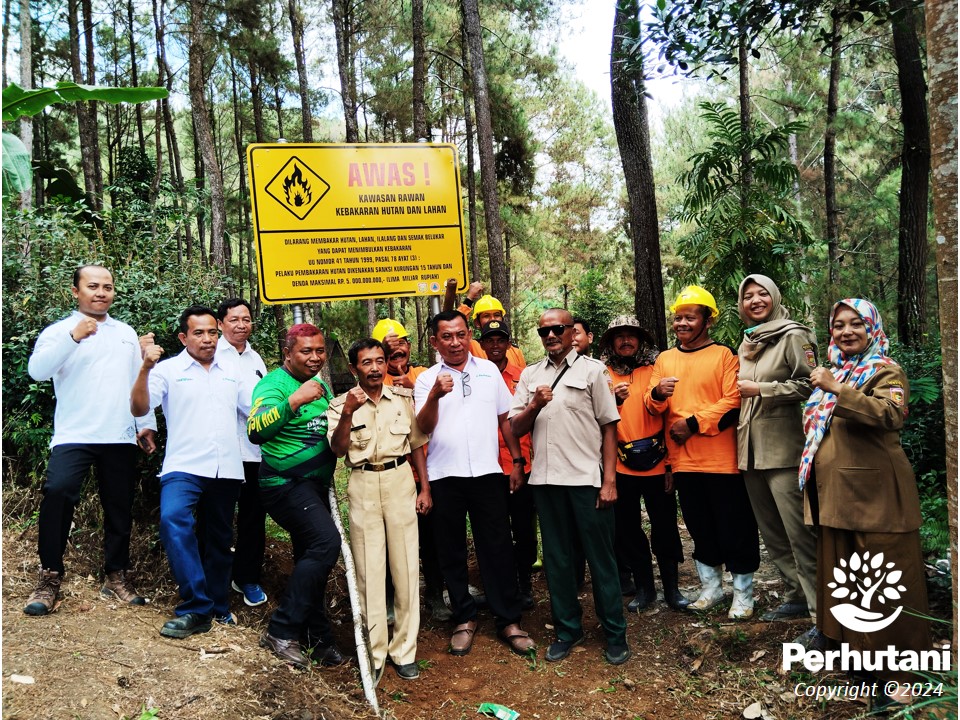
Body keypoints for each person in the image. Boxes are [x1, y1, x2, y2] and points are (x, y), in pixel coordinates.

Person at [801, 298, 930, 701]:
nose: (846, 331)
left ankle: (895, 669)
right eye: (838, 325)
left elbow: (890, 415)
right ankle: (851, 651)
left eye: (856, 323)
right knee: (842, 572)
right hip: (836, 493)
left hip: (875, 496)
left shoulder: (884, 370)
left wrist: (836, 390)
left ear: (872, 327)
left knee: (885, 574)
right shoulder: (838, 370)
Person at [24, 265, 157, 616]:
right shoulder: (58, 331)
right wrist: (74, 337)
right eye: (93, 286)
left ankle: (116, 575)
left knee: (119, 505)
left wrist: (145, 424)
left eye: (108, 287)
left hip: (119, 434)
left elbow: (136, 381)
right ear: (75, 291)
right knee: (58, 492)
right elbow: (37, 372)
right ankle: (49, 576)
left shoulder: (126, 333)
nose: (101, 292)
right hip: (74, 433)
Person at [510, 308, 630, 666]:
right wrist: (535, 403)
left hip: (586, 481)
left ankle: (614, 633)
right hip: (546, 483)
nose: (550, 335)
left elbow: (609, 427)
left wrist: (609, 481)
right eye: (543, 330)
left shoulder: (593, 371)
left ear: (571, 332)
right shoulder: (530, 375)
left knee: (601, 560)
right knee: (558, 562)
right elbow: (515, 428)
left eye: (558, 329)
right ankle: (567, 630)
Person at [414, 310, 535, 657]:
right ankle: (464, 618)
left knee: (496, 546)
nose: (455, 343)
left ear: (469, 335)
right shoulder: (427, 379)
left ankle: (508, 619)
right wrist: (435, 394)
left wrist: (515, 461)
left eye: (461, 335)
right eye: (447, 337)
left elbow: (505, 420)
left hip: (486, 473)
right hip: (444, 475)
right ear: (435, 342)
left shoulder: (489, 374)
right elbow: (422, 428)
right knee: (450, 549)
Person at [130, 306, 252, 638]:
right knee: (173, 520)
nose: (208, 339)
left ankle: (218, 607)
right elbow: (140, 407)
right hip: (183, 466)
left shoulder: (232, 371)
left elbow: (255, 409)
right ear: (184, 337)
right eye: (199, 333)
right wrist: (143, 368)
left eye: (212, 332)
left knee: (219, 539)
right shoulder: (166, 371)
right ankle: (196, 606)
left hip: (226, 467)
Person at [643, 286, 759, 619]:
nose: (681, 323)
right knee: (699, 525)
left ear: (707, 321)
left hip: (723, 461)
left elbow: (734, 400)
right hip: (683, 462)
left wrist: (692, 423)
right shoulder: (665, 359)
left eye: (689, 317)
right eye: (678, 317)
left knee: (734, 526)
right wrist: (657, 393)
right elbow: (651, 407)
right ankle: (711, 589)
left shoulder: (724, 355)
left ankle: (743, 594)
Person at [328, 339, 432, 681]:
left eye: (379, 361)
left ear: (387, 364)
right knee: (369, 571)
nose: (374, 368)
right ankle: (374, 653)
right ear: (355, 369)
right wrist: (347, 414)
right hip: (362, 483)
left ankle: (404, 651)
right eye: (366, 362)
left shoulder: (403, 399)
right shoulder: (341, 404)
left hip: (400, 480)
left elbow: (416, 443)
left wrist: (424, 487)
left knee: (405, 567)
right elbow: (338, 449)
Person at [247, 324, 344, 669]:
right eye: (306, 351)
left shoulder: (321, 386)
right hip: (285, 484)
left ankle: (317, 640)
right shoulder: (274, 385)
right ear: (288, 353)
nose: (315, 357)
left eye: (319, 351)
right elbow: (256, 430)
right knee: (324, 544)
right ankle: (281, 630)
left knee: (312, 561)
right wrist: (293, 401)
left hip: (314, 487)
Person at [735, 275, 818, 623]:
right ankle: (796, 595)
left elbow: (810, 385)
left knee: (799, 533)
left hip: (783, 448)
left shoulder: (794, 335)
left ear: (774, 295)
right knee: (772, 533)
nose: (755, 300)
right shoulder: (748, 342)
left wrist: (762, 390)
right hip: (750, 450)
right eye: (748, 296)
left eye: (762, 293)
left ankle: (821, 614)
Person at [600, 315, 688, 612]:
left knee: (664, 526)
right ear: (611, 341)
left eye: (631, 335)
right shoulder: (602, 373)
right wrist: (611, 400)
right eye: (619, 335)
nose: (626, 340)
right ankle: (644, 588)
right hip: (621, 465)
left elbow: (670, 416)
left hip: (657, 461)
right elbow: (595, 420)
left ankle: (672, 588)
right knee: (628, 529)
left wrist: (670, 465)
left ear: (641, 339)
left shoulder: (656, 369)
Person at [372, 318, 450, 621]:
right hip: (395, 474)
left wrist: (415, 388)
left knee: (433, 537)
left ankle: (434, 595)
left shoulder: (422, 375)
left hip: (431, 470)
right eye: (389, 345)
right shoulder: (376, 380)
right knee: (393, 539)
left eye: (401, 342)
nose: (397, 349)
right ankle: (392, 601)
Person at [478, 319, 536, 609]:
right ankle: (501, 584)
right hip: (488, 466)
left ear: (508, 344)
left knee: (523, 527)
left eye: (501, 340)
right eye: (490, 340)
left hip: (520, 463)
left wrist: (523, 461)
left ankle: (524, 581)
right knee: (494, 529)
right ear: (483, 344)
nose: (496, 346)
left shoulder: (523, 376)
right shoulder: (477, 376)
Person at [216, 298, 269, 608]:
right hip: (223, 452)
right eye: (234, 319)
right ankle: (217, 579)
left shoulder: (254, 358)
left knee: (253, 518)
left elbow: (262, 398)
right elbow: (247, 403)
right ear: (221, 323)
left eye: (246, 319)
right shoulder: (213, 353)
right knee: (220, 518)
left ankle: (246, 577)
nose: (241, 325)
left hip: (253, 452)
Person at [459, 291, 526, 367]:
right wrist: (469, 298)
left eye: (497, 315)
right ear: (477, 322)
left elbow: (524, 377)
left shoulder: (515, 352)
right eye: (486, 316)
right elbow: (454, 324)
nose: (492, 319)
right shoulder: (471, 347)